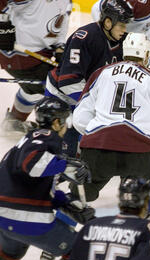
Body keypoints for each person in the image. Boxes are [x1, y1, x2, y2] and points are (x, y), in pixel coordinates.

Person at [71, 32, 150, 206]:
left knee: (80, 195)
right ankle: (146, 228)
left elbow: (79, 117)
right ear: (146, 54)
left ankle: (64, 229)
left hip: (97, 148)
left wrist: (96, 134)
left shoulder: (102, 73)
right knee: (140, 200)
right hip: (135, 152)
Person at [0, 97, 95, 260]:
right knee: (79, 248)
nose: (66, 127)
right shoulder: (46, 137)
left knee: (6, 257)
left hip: (4, 219)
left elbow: (27, 185)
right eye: (65, 121)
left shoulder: (22, 143)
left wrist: (65, 203)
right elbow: (32, 164)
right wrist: (68, 166)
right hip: (27, 220)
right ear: (55, 122)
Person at [45, 0, 134, 157]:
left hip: (88, 93)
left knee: (86, 137)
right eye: (121, 25)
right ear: (108, 22)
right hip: (61, 96)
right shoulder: (84, 37)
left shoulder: (124, 43)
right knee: (64, 143)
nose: (124, 30)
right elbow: (68, 81)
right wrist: (94, 104)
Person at [0, 0, 72, 135]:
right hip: (19, 53)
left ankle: (15, 120)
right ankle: (54, 135)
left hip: (41, 53)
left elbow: (61, 21)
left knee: (34, 87)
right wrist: (2, 26)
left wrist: (59, 46)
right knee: (61, 89)